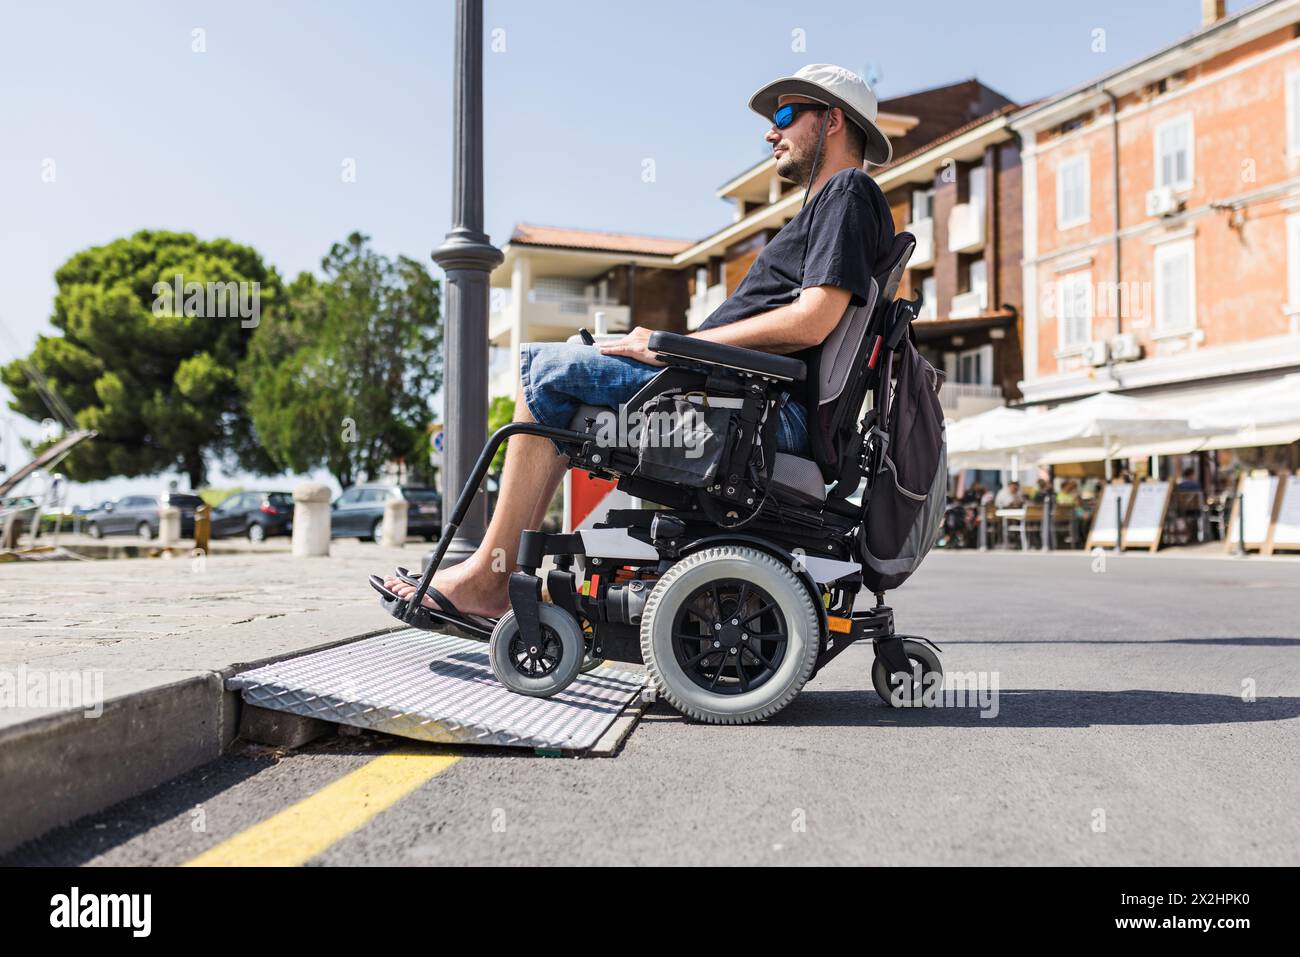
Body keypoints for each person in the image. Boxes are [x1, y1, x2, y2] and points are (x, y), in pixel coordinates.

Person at [382, 64, 897, 618]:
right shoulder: (829, 205)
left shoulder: (847, 192)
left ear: (835, 121)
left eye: (786, 116)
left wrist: (669, 346)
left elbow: (812, 321)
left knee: (546, 371)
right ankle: (497, 573)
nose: (771, 132)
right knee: (568, 372)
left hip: (756, 413)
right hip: (741, 398)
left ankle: (489, 577)